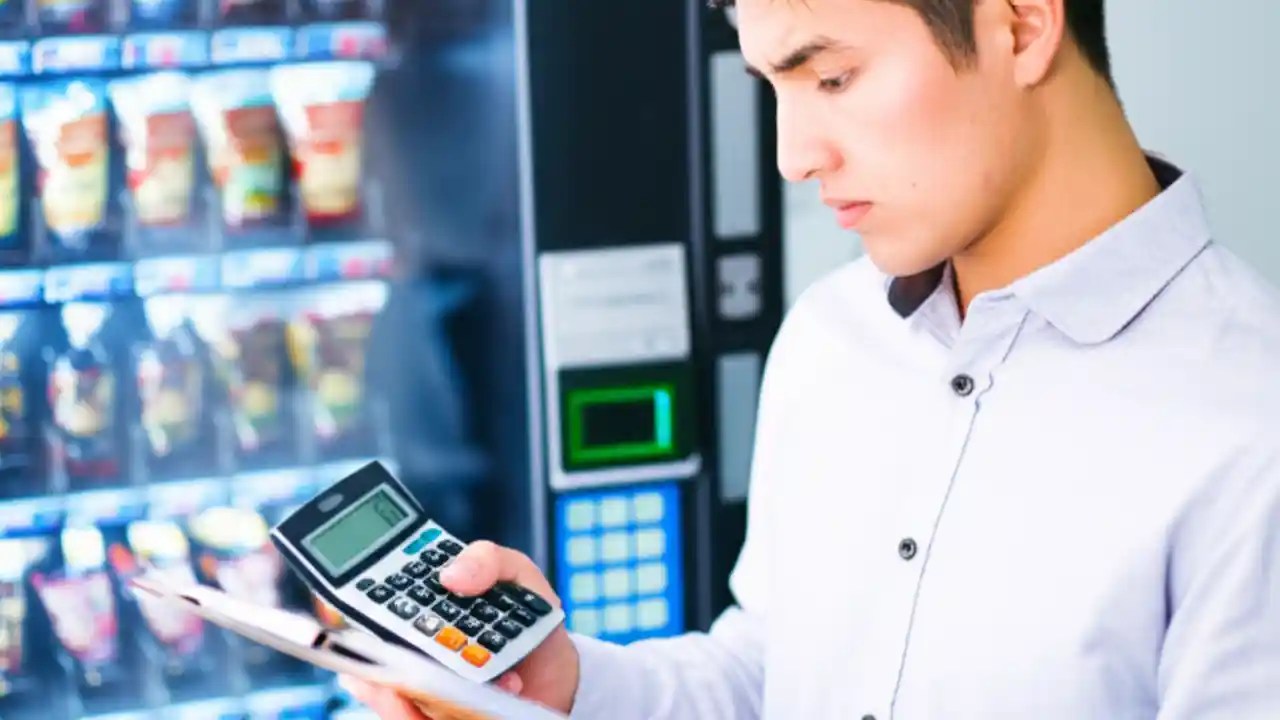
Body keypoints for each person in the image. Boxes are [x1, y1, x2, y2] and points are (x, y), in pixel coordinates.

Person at [346, 0, 1280, 717]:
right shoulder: (833, 336)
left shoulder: (1250, 426)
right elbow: (770, 675)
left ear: (1022, 23)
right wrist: (567, 684)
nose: (792, 155)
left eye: (831, 78)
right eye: (772, 88)